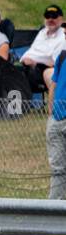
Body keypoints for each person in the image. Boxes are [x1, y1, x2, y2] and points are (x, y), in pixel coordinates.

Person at [20, 5, 65, 95]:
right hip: (25, 67)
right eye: (48, 16)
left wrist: (35, 63)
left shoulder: (63, 36)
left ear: (61, 19)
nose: (50, 19)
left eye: (54, 17)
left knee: (12, 79)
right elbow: (32, 51)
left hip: (40, 70)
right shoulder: (42, 32)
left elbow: (55, 63)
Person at [49, 49, 66, 199]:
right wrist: (51, 113)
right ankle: (54, 207)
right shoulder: (62, 57)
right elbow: (53, 85)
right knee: (57, 168)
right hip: (57, 118)